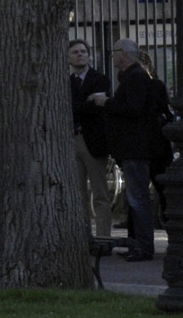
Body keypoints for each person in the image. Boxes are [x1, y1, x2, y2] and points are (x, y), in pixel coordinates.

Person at [108, 39, 170, 260]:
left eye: (114, 52)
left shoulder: (135, 77)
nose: (112, 55)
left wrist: (107, 103)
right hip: (135, 149)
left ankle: (143, 247)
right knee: (136, 198)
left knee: (138, 198)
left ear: (124, 54)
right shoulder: (134, 77)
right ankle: (138, 244)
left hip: (136, 149)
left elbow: (133, 110)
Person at [69, 40, 115, 242]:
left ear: (89, 55)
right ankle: (83, 238)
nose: (80, 55)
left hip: (93, 143)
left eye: (83, 52)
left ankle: (104, 237)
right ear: (69, 58)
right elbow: (65, 109)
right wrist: (85, 103)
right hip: (73, 140)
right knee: (77, 194)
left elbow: (98, 109)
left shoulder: (100, 79)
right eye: (75, 52)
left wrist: (78, 106)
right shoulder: (66, 82)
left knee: (100, 193)